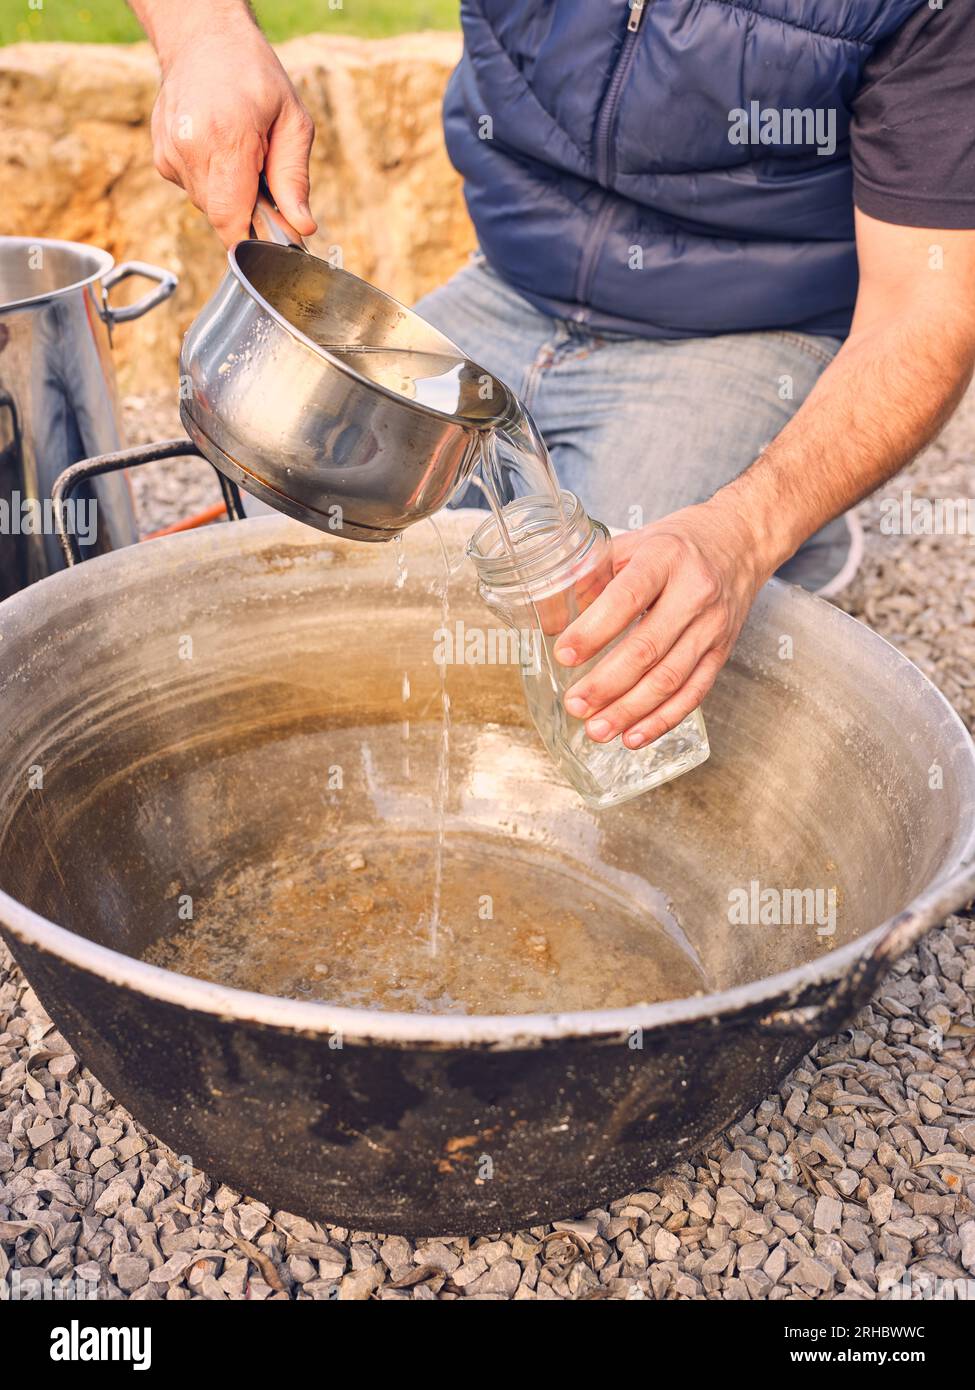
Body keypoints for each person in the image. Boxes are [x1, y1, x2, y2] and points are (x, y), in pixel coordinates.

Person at [133, 0, 975, 754]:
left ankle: (796, 521)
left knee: (601, 664)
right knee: (296, 606)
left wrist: (743, 532)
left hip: (749, 325)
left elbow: (924, 311)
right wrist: (202, 31)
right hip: (509, 279)